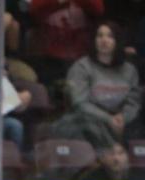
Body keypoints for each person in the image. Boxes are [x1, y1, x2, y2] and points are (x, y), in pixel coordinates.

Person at [51, 22, 141, 150]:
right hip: (87, 120)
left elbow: (134, 102)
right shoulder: (81, 67)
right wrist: (108, 119)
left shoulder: (130, 70)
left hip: (122, 122)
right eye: (100, 36)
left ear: (118, 41)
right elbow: (79, 103)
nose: (104, 40)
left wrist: (123, 118)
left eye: (110, 36)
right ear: (94, 40)